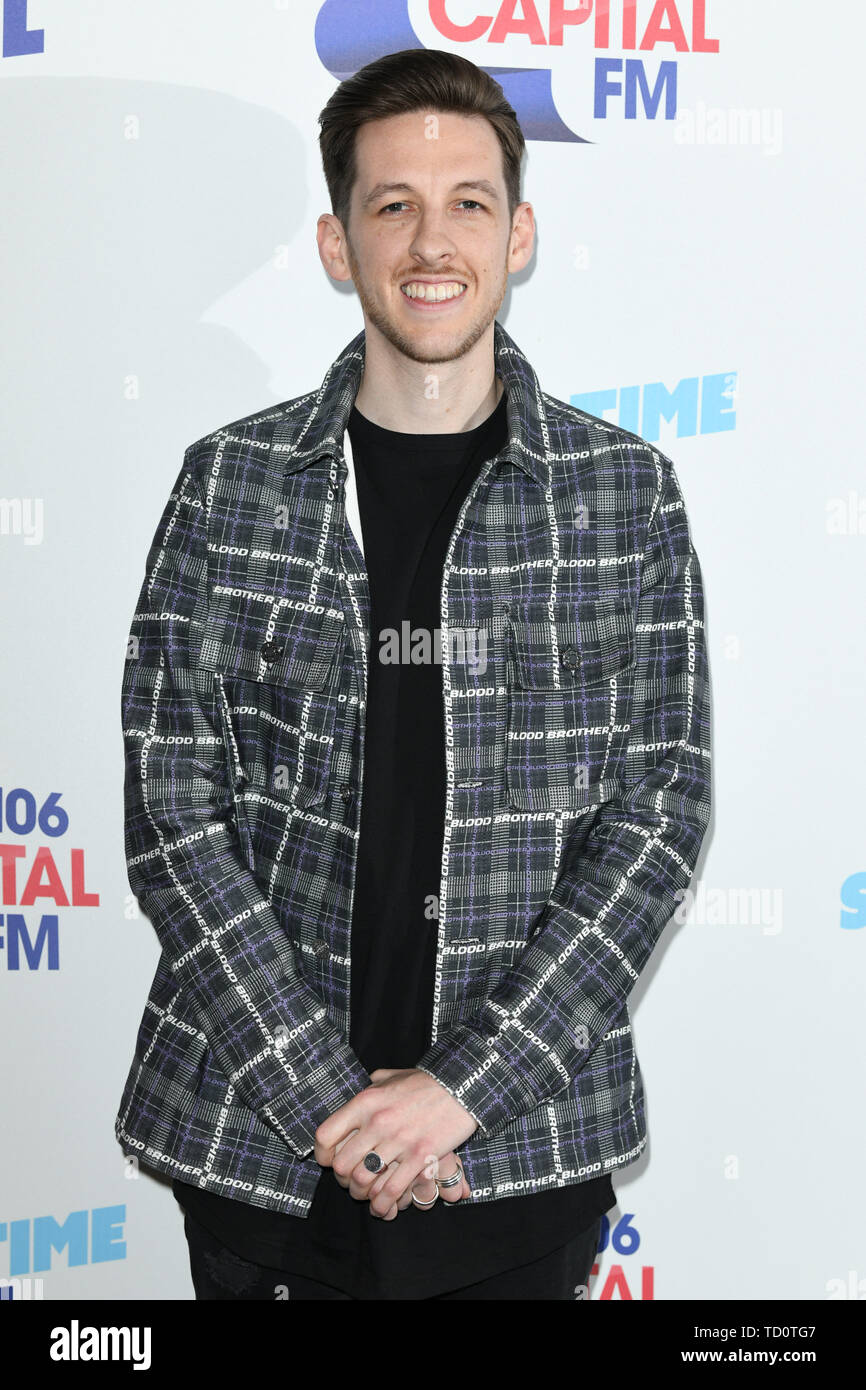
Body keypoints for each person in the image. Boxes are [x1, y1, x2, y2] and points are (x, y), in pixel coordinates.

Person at [116, 48, 711, 1301]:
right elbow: (174, 814)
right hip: (258, 1145)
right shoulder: (227, 485)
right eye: (391, 205)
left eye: (467, 203)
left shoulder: (623, 496)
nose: (429, 241)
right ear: (338, 243)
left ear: (519, 234)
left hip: (517, 1155)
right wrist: (327, 1097)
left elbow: (656, 820)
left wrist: (461, 1091)